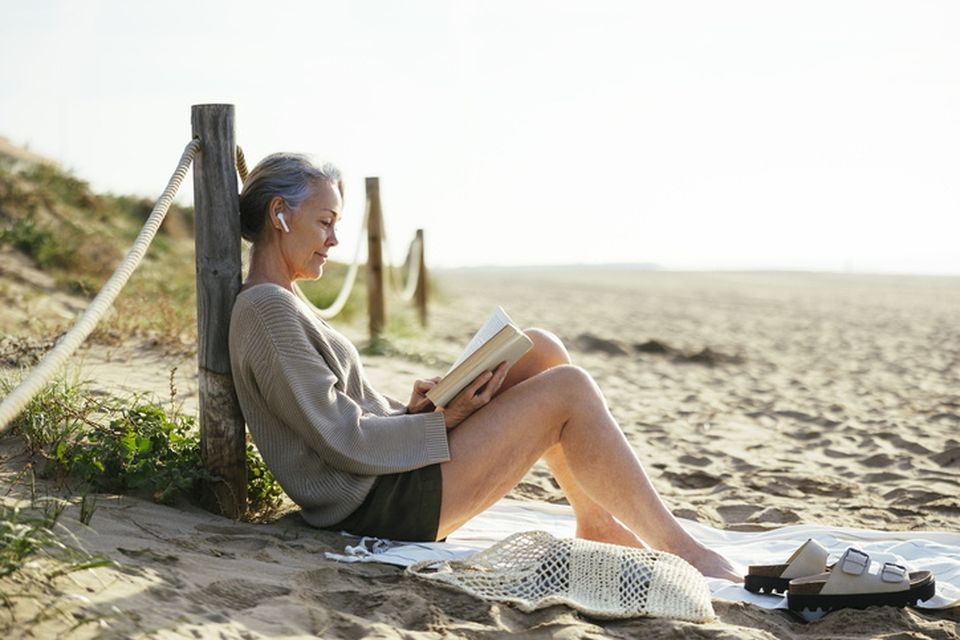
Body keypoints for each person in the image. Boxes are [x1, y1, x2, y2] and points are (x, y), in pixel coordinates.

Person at [228, 152, 741, 582]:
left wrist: (411, 410)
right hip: (377, 505)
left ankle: (596, 520)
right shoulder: (268, 309)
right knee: (568, 389)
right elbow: (342, 440)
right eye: (325, 222)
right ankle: (684, 552)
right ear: (280, 214)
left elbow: (340, 415)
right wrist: (437, 423)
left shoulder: (282, 301)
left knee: (538, 348)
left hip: (384, 482)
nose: (334, 241)